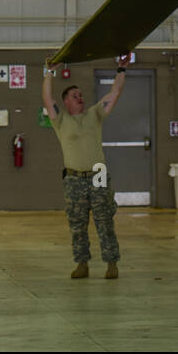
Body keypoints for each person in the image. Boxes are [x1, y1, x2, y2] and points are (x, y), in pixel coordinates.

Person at [42, 55, 129, 279]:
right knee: (77, 224)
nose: (80, 98)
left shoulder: (95, 114)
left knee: (104, 221)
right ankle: (82, 264)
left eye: (81, 95)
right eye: (75, 96)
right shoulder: (60, 121)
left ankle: (111, 264)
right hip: (73, 179)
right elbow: (47, 97)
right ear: (66, 102)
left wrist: (121, 69)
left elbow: (115, 93)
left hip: (98, 175)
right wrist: (49, 71)